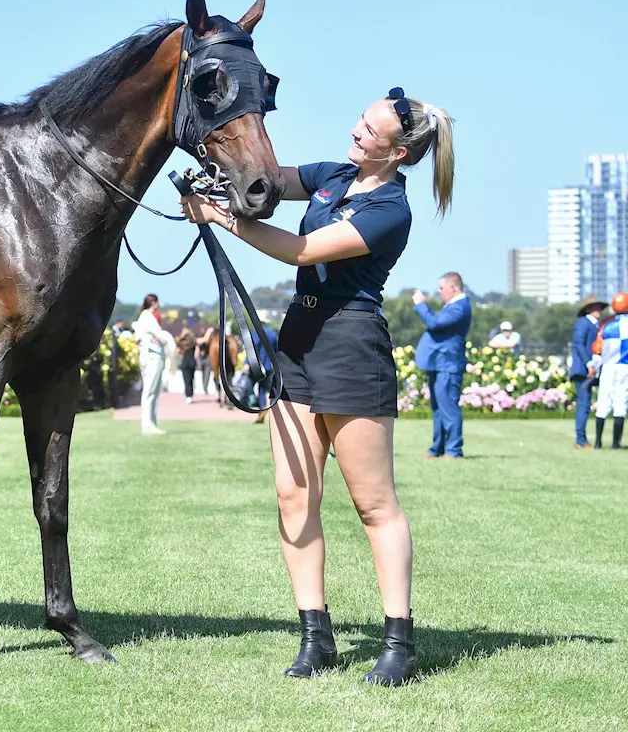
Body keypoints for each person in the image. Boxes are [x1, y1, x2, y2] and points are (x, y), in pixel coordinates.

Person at [181, 87, 455, 687]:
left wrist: (219, 218)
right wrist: (213, 170)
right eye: (359, 119)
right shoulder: (334, 175)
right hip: (298, 341)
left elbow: (297, 248)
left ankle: (398, 641)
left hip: (351, 346)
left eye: (369, 130)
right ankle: (316, 635)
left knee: (373, 503)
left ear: (400, 151)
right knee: (293, 494)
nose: (355, 132)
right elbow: (270, 179)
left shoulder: (390, 210)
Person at [413, 272, 472, 459]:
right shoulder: (455, 306)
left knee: (448, 408)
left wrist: (421, 305)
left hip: (448, 365)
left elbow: (435, 323)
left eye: (441, 287)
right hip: (440, 364)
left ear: (453, 288)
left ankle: (453, 450)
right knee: (438, 409)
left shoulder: (459, 307)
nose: (439, 292)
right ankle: (437, 448)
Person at [591, 292, 628, 448]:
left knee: (603, 402)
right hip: (624, 367)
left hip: (607, 368)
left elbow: (597, 349)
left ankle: (598, 442)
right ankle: (615, 443)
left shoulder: (606, 326)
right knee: (621, 404)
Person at [571, 295, 607, 450]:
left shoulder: (595, 325)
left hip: (593, 368)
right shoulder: (583, 323)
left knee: (587, 404)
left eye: (599, 307)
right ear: (588, 309)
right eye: (595, 307)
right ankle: (580, 440)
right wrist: (588, 363)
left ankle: (582, 439)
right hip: (583, 370)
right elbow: (579, 344)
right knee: (584, 404)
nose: (598, 310)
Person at [132, 294, 167, 435]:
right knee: (150, 391)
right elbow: (161, 337)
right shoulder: (148, 317)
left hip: (150, 356)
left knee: (152, 391)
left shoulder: (144, 317)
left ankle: (151, 423)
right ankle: (148, 424)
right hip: (152, 356)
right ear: (153, 302)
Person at [176, 325, 198, 404]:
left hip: (185, 362)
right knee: (191, 379)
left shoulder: (182, 343)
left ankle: (188, 395)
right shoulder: (193, 342)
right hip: (192, 362)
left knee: (186, 379)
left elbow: (178, 352)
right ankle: (190, 394)